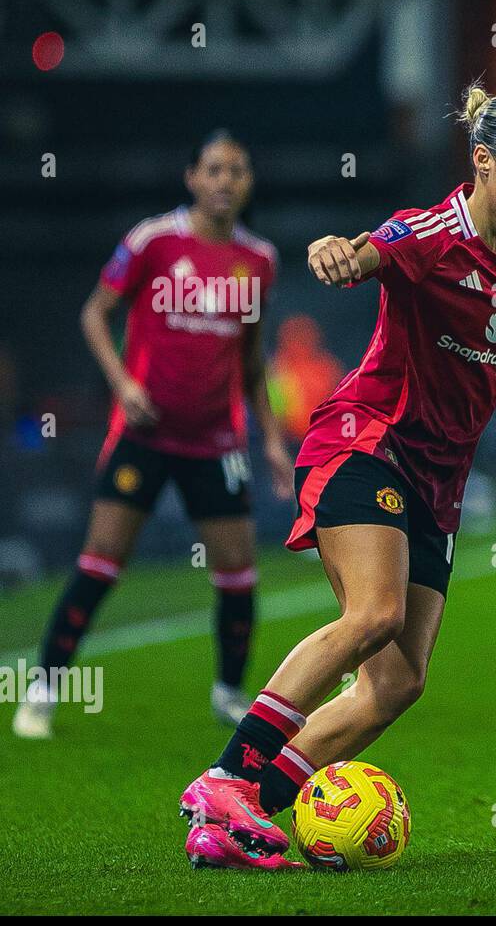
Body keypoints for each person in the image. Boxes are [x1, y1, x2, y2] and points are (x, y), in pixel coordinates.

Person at [178, 85, 496, 870]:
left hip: (439, 484)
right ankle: (225, 776)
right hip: (365, 444)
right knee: (375, 613)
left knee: (397, 684)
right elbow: (370, 248)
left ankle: (241, 818)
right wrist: (339, 254)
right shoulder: (433, 234)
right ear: (483, 162)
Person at [13, 131, 293, 740]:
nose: (225, 181)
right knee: (101, 562)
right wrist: (123, 386)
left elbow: (251, 359)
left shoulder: (259, 260)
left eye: (237, 171)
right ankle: (42, 689)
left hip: (217, 442)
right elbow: (94, 312)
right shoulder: (153, 240)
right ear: (191, 177)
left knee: (238, 571)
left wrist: (270, 439)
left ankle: (228, 692)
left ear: (248, 184)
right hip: (144, 435)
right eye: (214, 169)